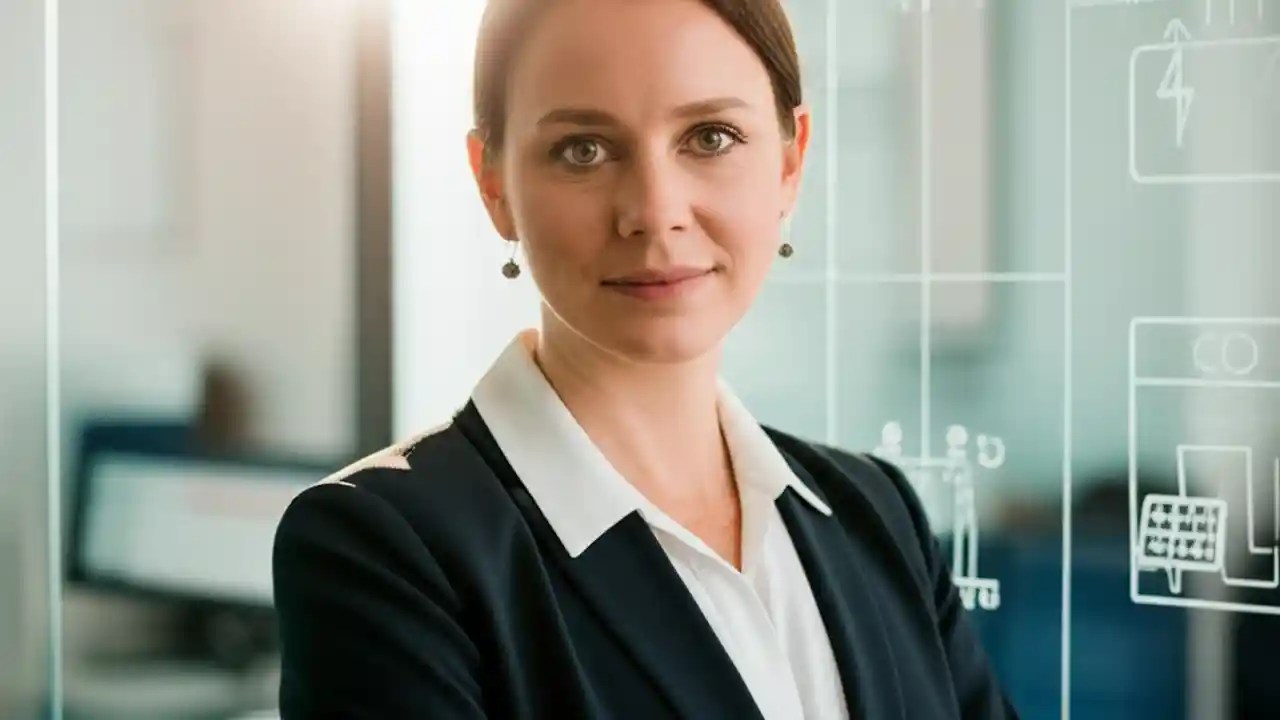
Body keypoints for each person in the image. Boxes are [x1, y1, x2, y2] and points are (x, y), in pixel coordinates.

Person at [272, 0, 1018, 717]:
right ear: (493, 182)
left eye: (711, 138)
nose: (655, 210)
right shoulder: (387, 551)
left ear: (791, 163)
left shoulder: (876, 515)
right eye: (583, 150)